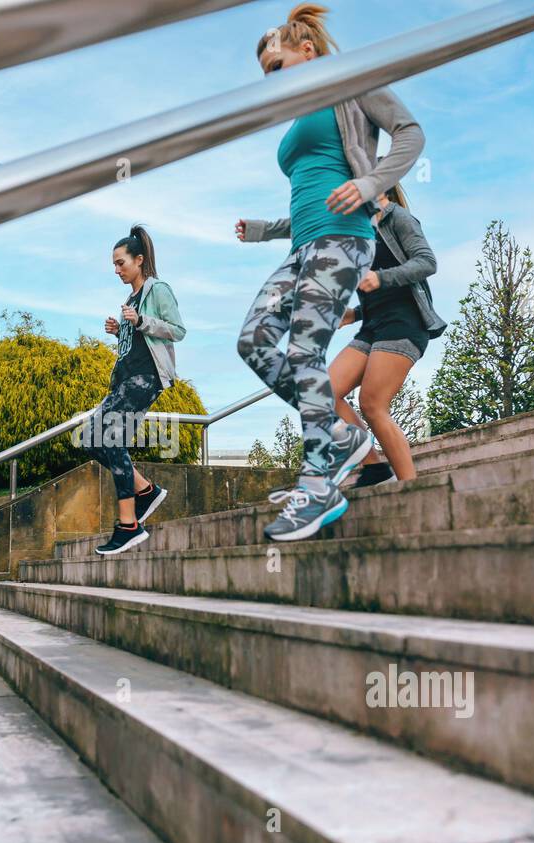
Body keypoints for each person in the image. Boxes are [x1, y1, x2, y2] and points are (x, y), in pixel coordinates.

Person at [236, 2, 424, 542]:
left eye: (275, 67)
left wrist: (370, 186)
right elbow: (309, 197)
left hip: (345, 241)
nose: (270, 81)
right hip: (303, 246)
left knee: (302, 351)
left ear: (308, 52)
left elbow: (410, 132)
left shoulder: (351, 86)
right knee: (254, 341)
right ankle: (340, 436)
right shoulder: (301, 119)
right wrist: (267, 230)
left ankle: (319, 483)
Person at [330, 182, 445, 487]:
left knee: (372, 403)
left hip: (405, 324)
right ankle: (374, 467)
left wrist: (380, 277)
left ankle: (409, 485)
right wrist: (354, 313)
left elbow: (426, 262)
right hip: (373, 327)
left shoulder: (399, 219)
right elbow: (375, 292)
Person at [83, 224, 186, 556]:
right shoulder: (129, 299)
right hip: (125, 377)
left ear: (139, 260)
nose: (117, 270)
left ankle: (129, 525)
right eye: (114, 265)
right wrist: (119, 331)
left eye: (121, 263)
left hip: (147, 377)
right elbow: (135, 344)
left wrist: (141, 321)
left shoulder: (158, 291)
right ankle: (146, 491)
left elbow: (178, 330)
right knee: (90, 438)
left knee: (110, 437)